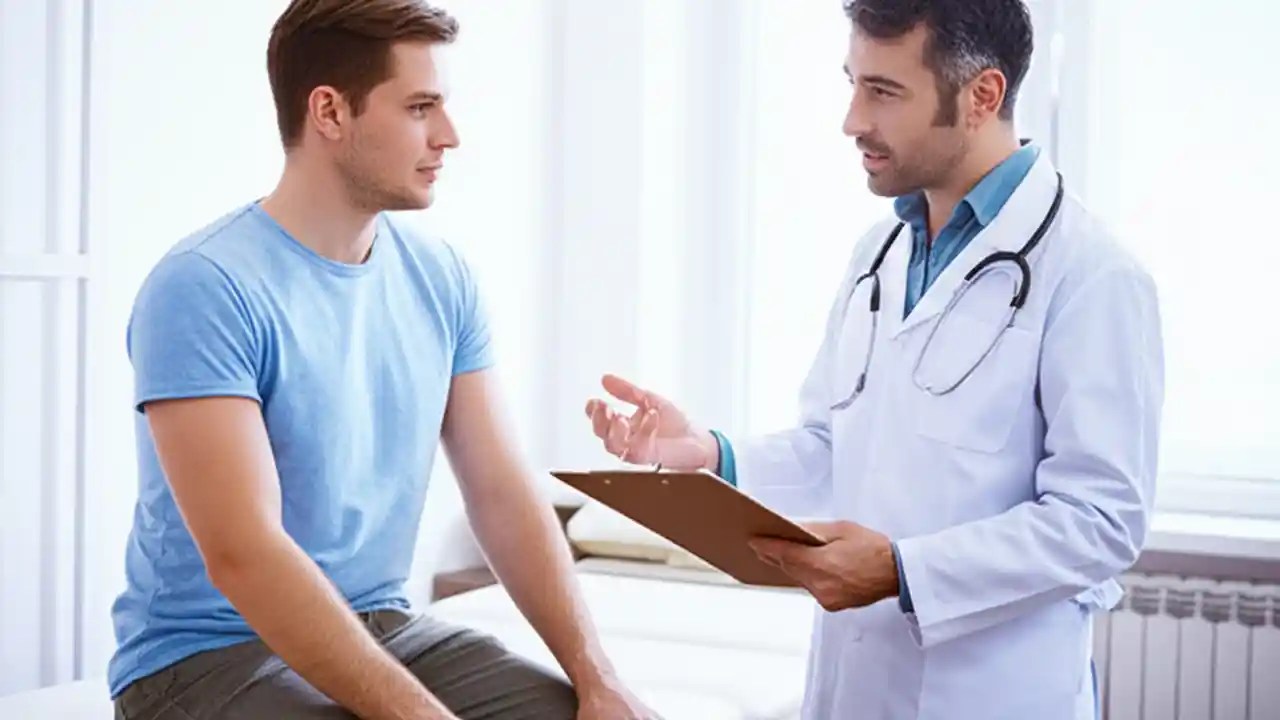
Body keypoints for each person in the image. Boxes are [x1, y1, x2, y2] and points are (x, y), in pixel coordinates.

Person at [584, 1, 1163, 718]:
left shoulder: (1092, 275)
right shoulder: (878, 257)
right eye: (853, 83)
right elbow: (836, 447)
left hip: (990, 693)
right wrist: (707, 453)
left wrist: (901, 570)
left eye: (883, 91)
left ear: (981, 96)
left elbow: (1100, 521)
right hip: (853, 685)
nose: (852, 120)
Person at [107, 2, 654, 718]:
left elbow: (501, 491)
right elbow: (245, 553)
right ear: (330, 112)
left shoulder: (442, 277)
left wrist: (597, 677)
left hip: (383, 625)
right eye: (421, 107)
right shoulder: (205, 286)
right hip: (207, 660)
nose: (449, 136)